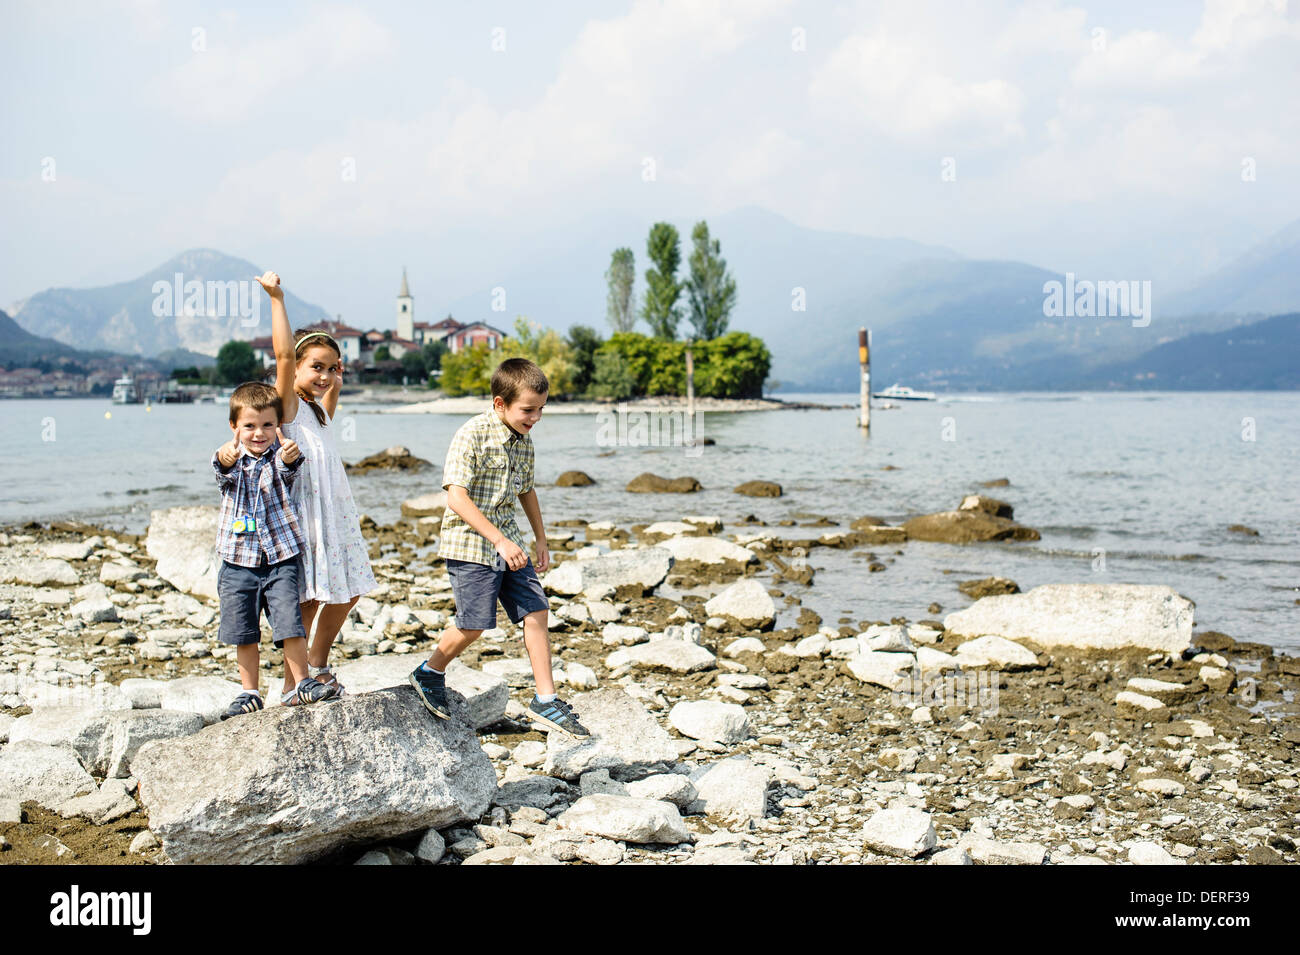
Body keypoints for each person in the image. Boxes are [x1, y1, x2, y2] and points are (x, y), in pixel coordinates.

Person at [408, 358, 589, 738]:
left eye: (541, 409)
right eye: (528, 409)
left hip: (510, 542)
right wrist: (501, 541)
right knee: (474, 623)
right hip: (471, 543)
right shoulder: (471, 434)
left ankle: (545, 699)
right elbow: (456, 498)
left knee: (537, 610)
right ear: (499, 404)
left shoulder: (524, 441)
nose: (535, 417)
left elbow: (526, 490)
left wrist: (540, 538)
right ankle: (430, 671)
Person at [259, 270, 377, 700]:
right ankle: (294, 684)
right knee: (309, 598)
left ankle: (318, 663)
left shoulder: (318, 412)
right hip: (304, 515)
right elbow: (285, 357)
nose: (324, 375)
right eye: (317, 367)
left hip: (334, 515)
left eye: (331, 368)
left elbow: (331, 391)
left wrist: (334, 379)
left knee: (349, 591)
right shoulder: (287, 405)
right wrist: (277, 299)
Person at [213, 381, 337, 718]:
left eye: (268, 425)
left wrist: (290, 457)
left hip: (281, 558)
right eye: (249, 426)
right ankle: (248, 691)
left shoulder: (280, 457)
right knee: (244, 630)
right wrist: (225, 457)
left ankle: (301, 682)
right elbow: (222, 471)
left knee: (290, 622)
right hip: (238, 561)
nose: (258, 433)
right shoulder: (231, 459)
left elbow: (288, 471)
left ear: (278, 426)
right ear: (234, 427)